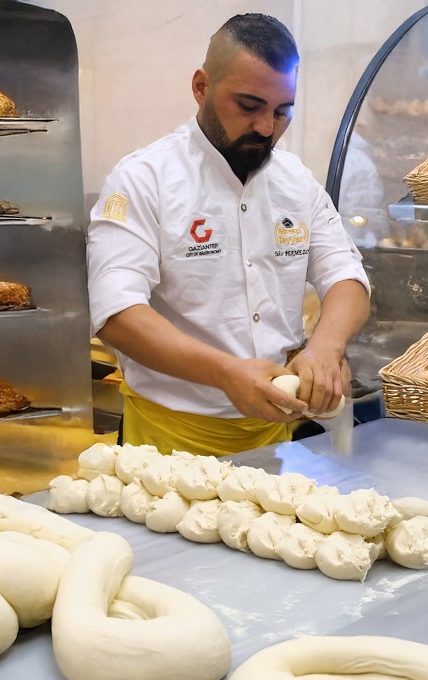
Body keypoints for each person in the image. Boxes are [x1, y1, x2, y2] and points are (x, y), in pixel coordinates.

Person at [86, 13, 370, 457]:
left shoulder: (296, 182)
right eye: (249, 105)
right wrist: (227, 373)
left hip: (276, 439)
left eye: (282, 111)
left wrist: (326, 347)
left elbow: (345, 276)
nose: (265, 127)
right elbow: (117, 313)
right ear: (201, 86)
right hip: (167, 441)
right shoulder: (144, 179)